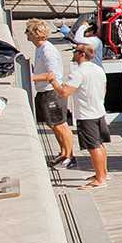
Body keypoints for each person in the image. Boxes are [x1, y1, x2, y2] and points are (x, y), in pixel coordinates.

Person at [53, 43, 109, 189]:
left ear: (82, 54)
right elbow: (104, 89)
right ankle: (103, 173)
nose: (74, 53)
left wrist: (53, 81)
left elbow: (64, 92)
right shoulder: (98, 69)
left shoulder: (78, 72)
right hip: (99, 111)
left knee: (93, 147)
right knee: (100, 144)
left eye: (75, 51)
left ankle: (100, 179)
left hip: (86, 115)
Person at [25, 18, 75, 168]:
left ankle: (69, 156)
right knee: (54, 125)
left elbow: (51, 75)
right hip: (44, 91)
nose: (26, 34)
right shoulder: (40, 48)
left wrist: (28, 77)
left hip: (52, 92)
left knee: (60, 125)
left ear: (36, 33)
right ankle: (63, 152)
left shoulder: (48, 51)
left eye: (28, 31)